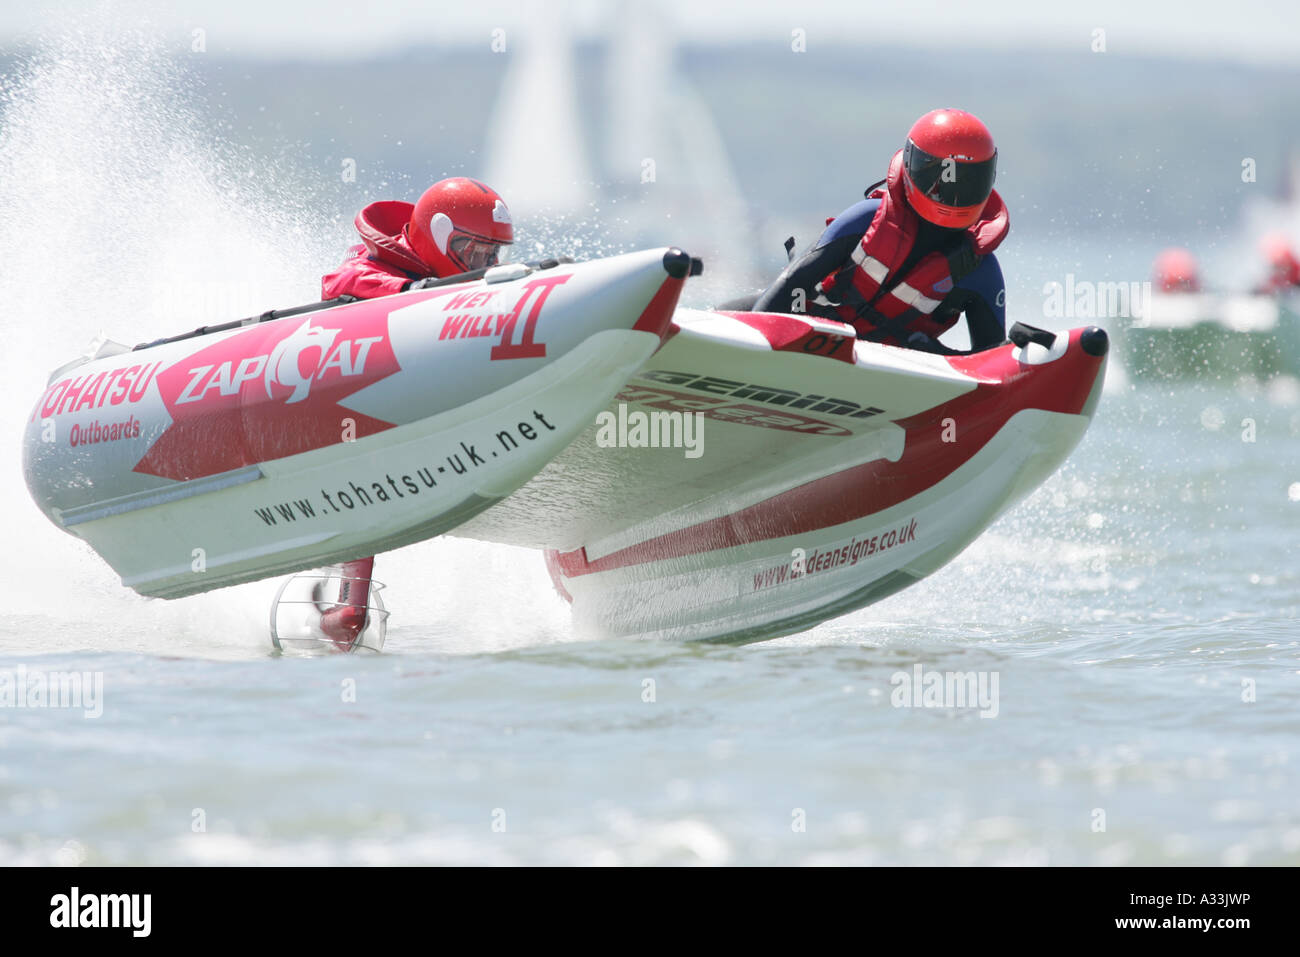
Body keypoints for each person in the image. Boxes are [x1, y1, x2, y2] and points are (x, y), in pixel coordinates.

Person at [316, 177, 514, 648]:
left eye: (492, 256)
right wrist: (414, 289)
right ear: (436, 235)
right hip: (349, 422)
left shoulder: (467, 290)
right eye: (472, 252)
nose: (483, 265)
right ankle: (345, 602)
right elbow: (339, 282)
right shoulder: (375, 263)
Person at [750, 108, 1008, 354]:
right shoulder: (865, 219)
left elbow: (992, 370)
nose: (953, 195)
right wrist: (752, 350)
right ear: (911, 165)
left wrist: (936, 354)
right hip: (805, 341)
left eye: (969, 181)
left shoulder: (980, 269)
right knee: (731, 311)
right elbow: (785, 289)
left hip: (893, 376)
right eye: (941, 179)